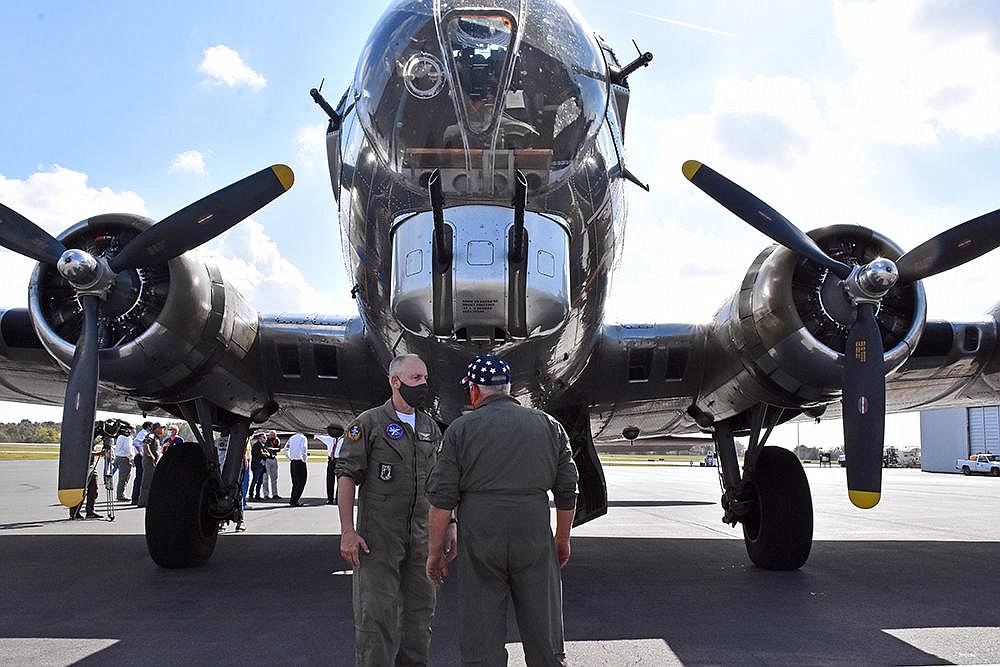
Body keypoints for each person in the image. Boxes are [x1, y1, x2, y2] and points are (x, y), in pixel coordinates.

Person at [426, 354, 579, 667]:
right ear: (509, 389)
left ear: (474, 391)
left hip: (481, 538)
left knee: (481, 642)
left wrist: (434, 552)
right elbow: (567, 491)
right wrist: (562, 539)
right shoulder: (549, 426)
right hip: (534, 535)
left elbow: (442, 501)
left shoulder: (459, 430)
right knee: (545, 639)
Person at [336, 353, 455, 667]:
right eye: (416, 379)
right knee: (375, 619)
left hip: (422, 540)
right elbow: (347, 476)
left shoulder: (431, 427)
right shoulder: (369, 423)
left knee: (420, 619)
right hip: (378, 540)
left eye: (425, 379)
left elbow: (440, 485)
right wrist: (348, 532)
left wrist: (450, 525)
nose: (423, 385)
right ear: (395, 381)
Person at [137, 424, 163, 508]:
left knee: (151, 481)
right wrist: (150, 455)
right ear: (156, 429)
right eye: (160, 428)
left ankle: (148, 500)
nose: (162, 430)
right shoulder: (151, 435)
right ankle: (143, 502)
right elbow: (145, 444)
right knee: (147, 482)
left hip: (153, 461)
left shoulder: (156, 437)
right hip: (149, 461)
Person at [283, 432, 309, 506]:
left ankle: (293, 499)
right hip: (300, 462)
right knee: (302, 482)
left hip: (293, 462)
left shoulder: (291, 438)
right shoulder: (303, 438)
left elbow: (285, 449)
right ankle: (295, 499)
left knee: (295, 482)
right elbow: (304, 448)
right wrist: (304, 458)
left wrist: (290, 457)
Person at [314, 433, 341, 504]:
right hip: (331, 460)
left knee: (340, 481)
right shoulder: (329, 439)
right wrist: (315, 435)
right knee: (329, 480)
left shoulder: (344, 440)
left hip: (340, 460)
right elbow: (320, 436)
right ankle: (330, 499)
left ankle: (339, 499)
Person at [131, 421, 152, 505]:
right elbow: (136, 442)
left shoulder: (145, 433)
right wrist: (141, 452)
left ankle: (136, 497)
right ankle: (135, 498)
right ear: (148, 427)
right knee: (140, 478)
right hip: (140, 457)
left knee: (140, 478)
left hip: (141, 457)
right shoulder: (143, 433)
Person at [113, 425, 134, 502]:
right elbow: (128, 448)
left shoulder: (120, 437)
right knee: (124, 478)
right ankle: (120, 495)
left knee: (122, 478)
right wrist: (131, 458)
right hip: (125, 458)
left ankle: (120, 494)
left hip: (119, 457)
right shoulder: (127, 437)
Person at [262, 431, 281, 499]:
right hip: (267, 459)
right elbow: (265, 448)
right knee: (265, 478)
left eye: (274, 435)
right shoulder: (266, 440)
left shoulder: (277, 440)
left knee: (274, 478)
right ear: (269, 435)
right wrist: (271, 449)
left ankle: (275, 494)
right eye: (272, 435)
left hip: (274, 458)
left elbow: (278, 449)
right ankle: (266, 494)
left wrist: (272, 449)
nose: (273, 437)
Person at [249, 433, 267, 501]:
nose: (265, 439)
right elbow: (259, 454)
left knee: (260, 481)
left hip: (262, 466)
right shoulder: (256, 445)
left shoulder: (263, 446)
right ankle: (251, 495)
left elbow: (266, 453)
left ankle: (257, 495)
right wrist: (265, 454)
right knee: (255, 480)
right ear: (259, 438)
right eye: (264, 437)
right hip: (257, 466)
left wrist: (265, 454)